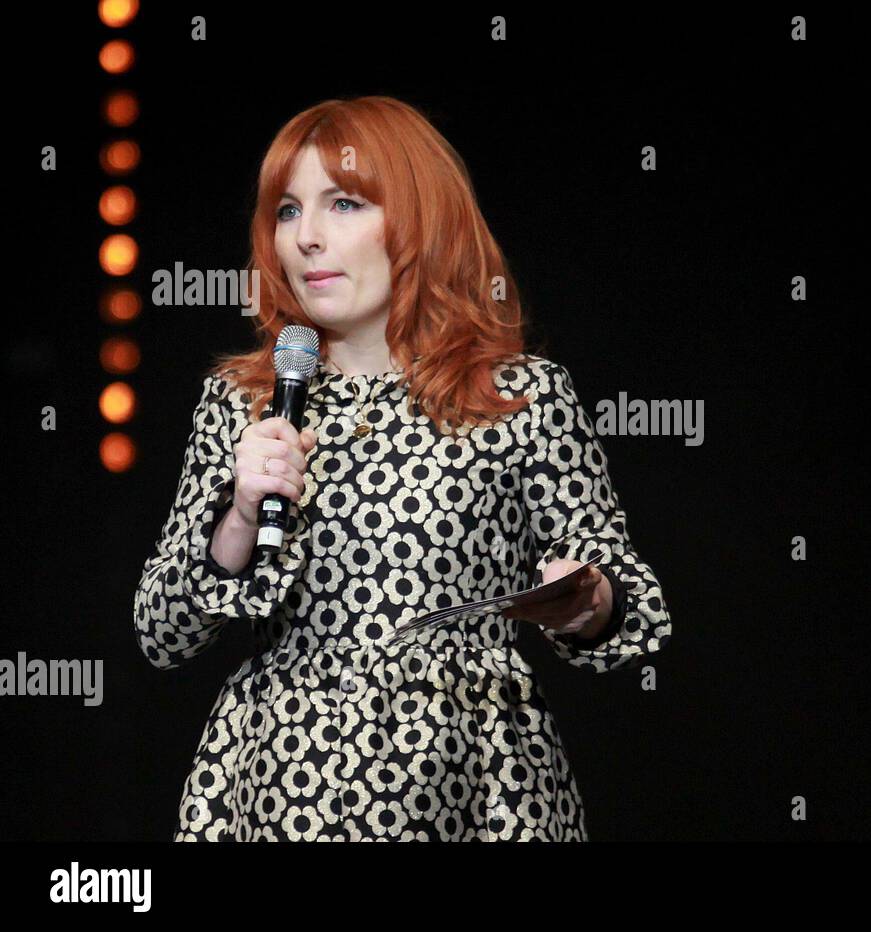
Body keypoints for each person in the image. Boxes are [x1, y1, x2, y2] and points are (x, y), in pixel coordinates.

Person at [132, 96, 671, 841]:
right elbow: (161, 633)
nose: (308, 239)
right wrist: (238, 518)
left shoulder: (517, 396)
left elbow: (633, 611)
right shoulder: (244, 402)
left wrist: (587, 598)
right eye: (288, 211)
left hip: (475, 777)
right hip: (284, 782)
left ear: (420, 218)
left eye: (344, 204)